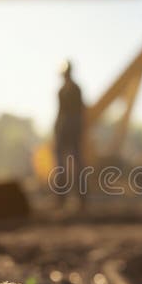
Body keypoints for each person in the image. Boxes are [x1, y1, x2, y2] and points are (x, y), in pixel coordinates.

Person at [54, 60, 86, 208]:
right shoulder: (73, 89)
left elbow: (62, 114)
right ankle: (76, 199)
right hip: (69, 130)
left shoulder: (67, 90)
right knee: (71, 163)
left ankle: (68, 199)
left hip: (67, 130)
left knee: (66, 164)